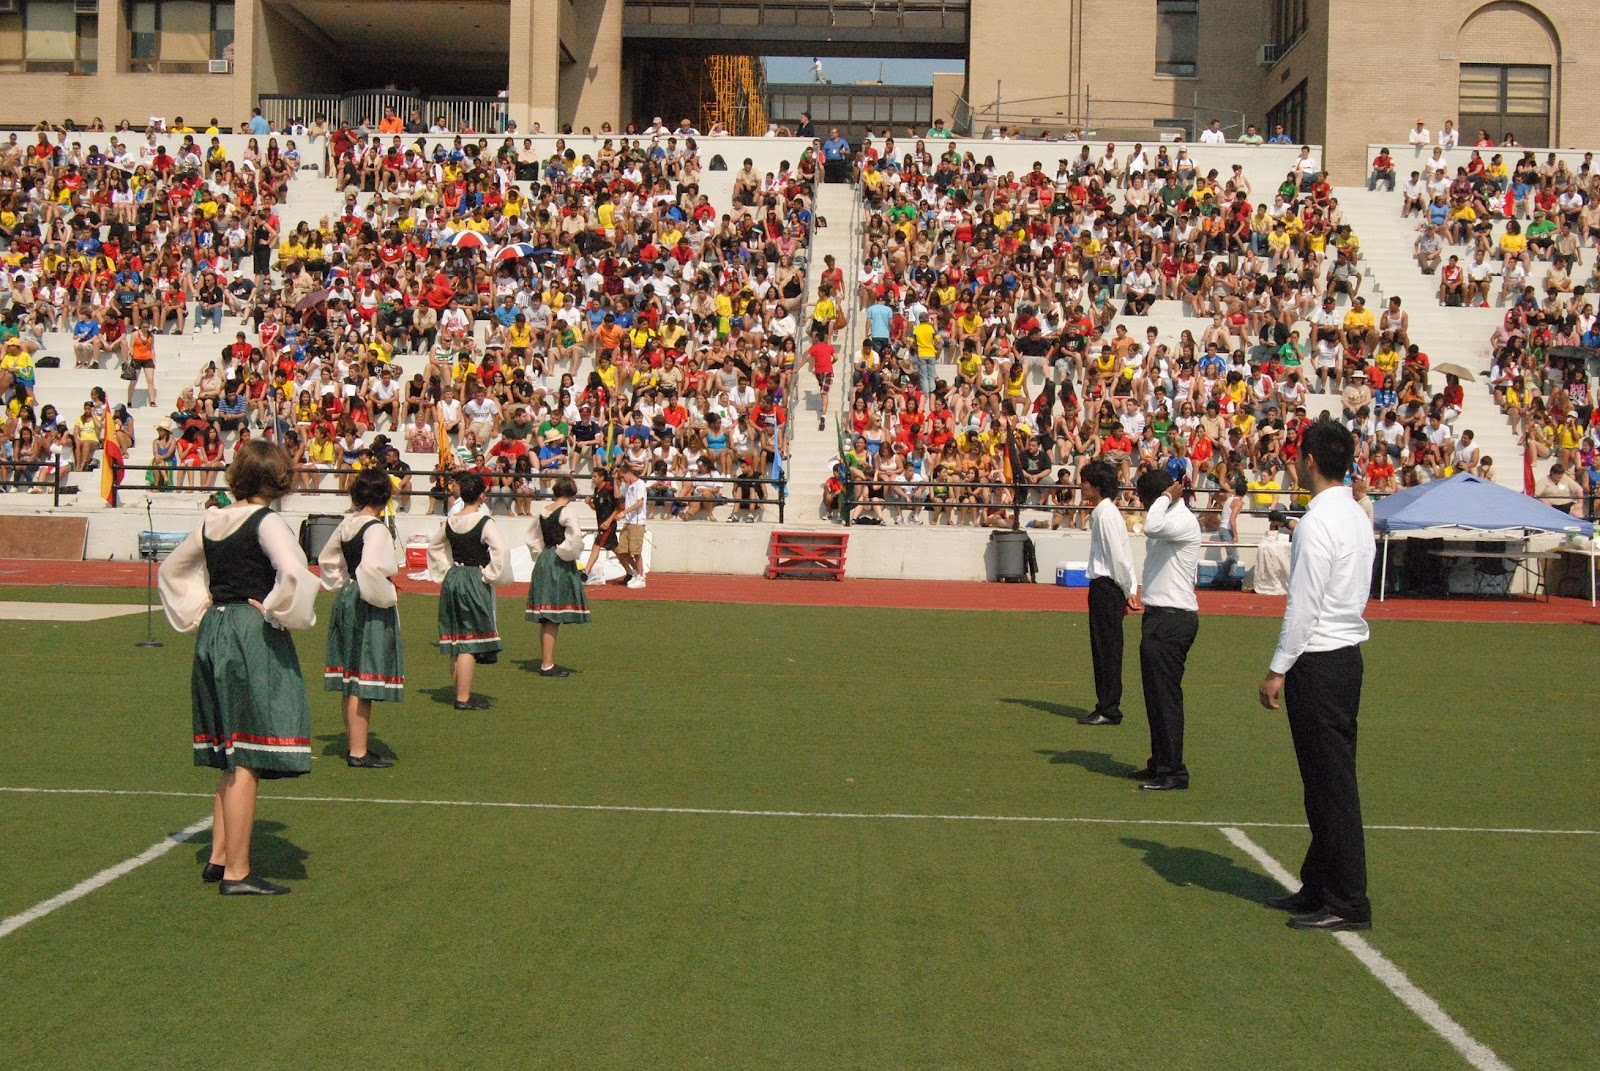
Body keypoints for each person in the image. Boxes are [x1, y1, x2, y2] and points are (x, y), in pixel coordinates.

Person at [157, 440, 316, 896]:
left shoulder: (212, 519)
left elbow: (172, 569)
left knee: (231, 749)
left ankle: (219, 855)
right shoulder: (268, 522)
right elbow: (294, 573)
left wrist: (200, 608)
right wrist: (277, 611)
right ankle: (237, 872)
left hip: (214, 628)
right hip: (249, 631)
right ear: (278, 480)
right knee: (246, 753)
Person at [1258, 417, 1376, 932]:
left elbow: (1302, 606)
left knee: (1330, 785)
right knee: (1325, 781)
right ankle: (1319, 884)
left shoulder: (1317, 523)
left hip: (1320, 659)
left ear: (1310, 460)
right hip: (1345, 655)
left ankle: (1348, 900)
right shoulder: (1356, 515)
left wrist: (1276, 669)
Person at [318, 468, 403, 768]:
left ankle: (356, 744)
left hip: (349, 595)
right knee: (362, 677)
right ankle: (358, 751)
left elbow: (327, 559)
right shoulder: (376, 528)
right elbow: (370, 569)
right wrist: (386, 596)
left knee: (351, 675)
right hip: (368, 599)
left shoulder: (347, 523)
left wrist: (344, 584)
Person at [1131, 469, 1202, 790]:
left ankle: (1173, 770)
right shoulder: (1170, 517)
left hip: (1173, 619)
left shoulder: (1179, 519)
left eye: (1145, 498)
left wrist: (1164, 497)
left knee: (1165, 696)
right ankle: (1161, 762)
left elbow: (1152, 525)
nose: (1144, 505)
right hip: (1161, 615)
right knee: (1155, 696)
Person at [427, 472, 507, 709]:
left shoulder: (451, 520)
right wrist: (489, 574)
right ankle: (463, 698)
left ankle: (460, 691)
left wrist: (445, 571)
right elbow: (500, 551)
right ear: (482, 495)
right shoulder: (484, 521)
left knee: (456, 638)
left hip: (454, 576)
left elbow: (434, 546)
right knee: (469, 640)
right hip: (473, 576)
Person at [1080, 460, 1136, 726]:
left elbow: (1118, 557)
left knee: (1107, 649)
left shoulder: (1106, 514)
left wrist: (1127, 590)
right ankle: (1106, 703)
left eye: (1085, 482)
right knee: (1104, 648)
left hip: (1107, 586)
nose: (1082, 487)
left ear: (1097, 486)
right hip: (1107, 586)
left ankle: (1109, 707)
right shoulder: (1104, 512)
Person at [525, 475, 591, 676]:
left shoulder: (544, 511)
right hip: (558, 560)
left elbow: (532, 538)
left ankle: (547, 661)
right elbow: (575, 539)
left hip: (545, 558)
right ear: (571, 492)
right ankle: (547, 664)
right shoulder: (567, 512)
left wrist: (543, 553)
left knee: (548, 616)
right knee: (552, 615)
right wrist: (565, 554)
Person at [582, 466, 621, 584]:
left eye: (595, 476)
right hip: (601, 523)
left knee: (596, 545)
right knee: (617, 549)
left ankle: (585, 572)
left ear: (602, 478)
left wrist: (609, 521)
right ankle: (632, 570)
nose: (593, 479)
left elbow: (618, 508)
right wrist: (590, 504)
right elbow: (597, 508)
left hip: (608, 525)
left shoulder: (609, 490)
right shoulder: (596, 490)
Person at [615, 463, 649, 589]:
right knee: (622, 550)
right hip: (629, 521)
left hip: (637, 522)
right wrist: (615, 480)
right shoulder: (629, 486)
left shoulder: (639, 484)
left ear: (629, 473)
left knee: (636, 551)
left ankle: (640, 576)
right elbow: (618, 495)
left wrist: (624, 512)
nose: (622, 480)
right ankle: (636, 572)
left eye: (622, 477)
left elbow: (640, 502)